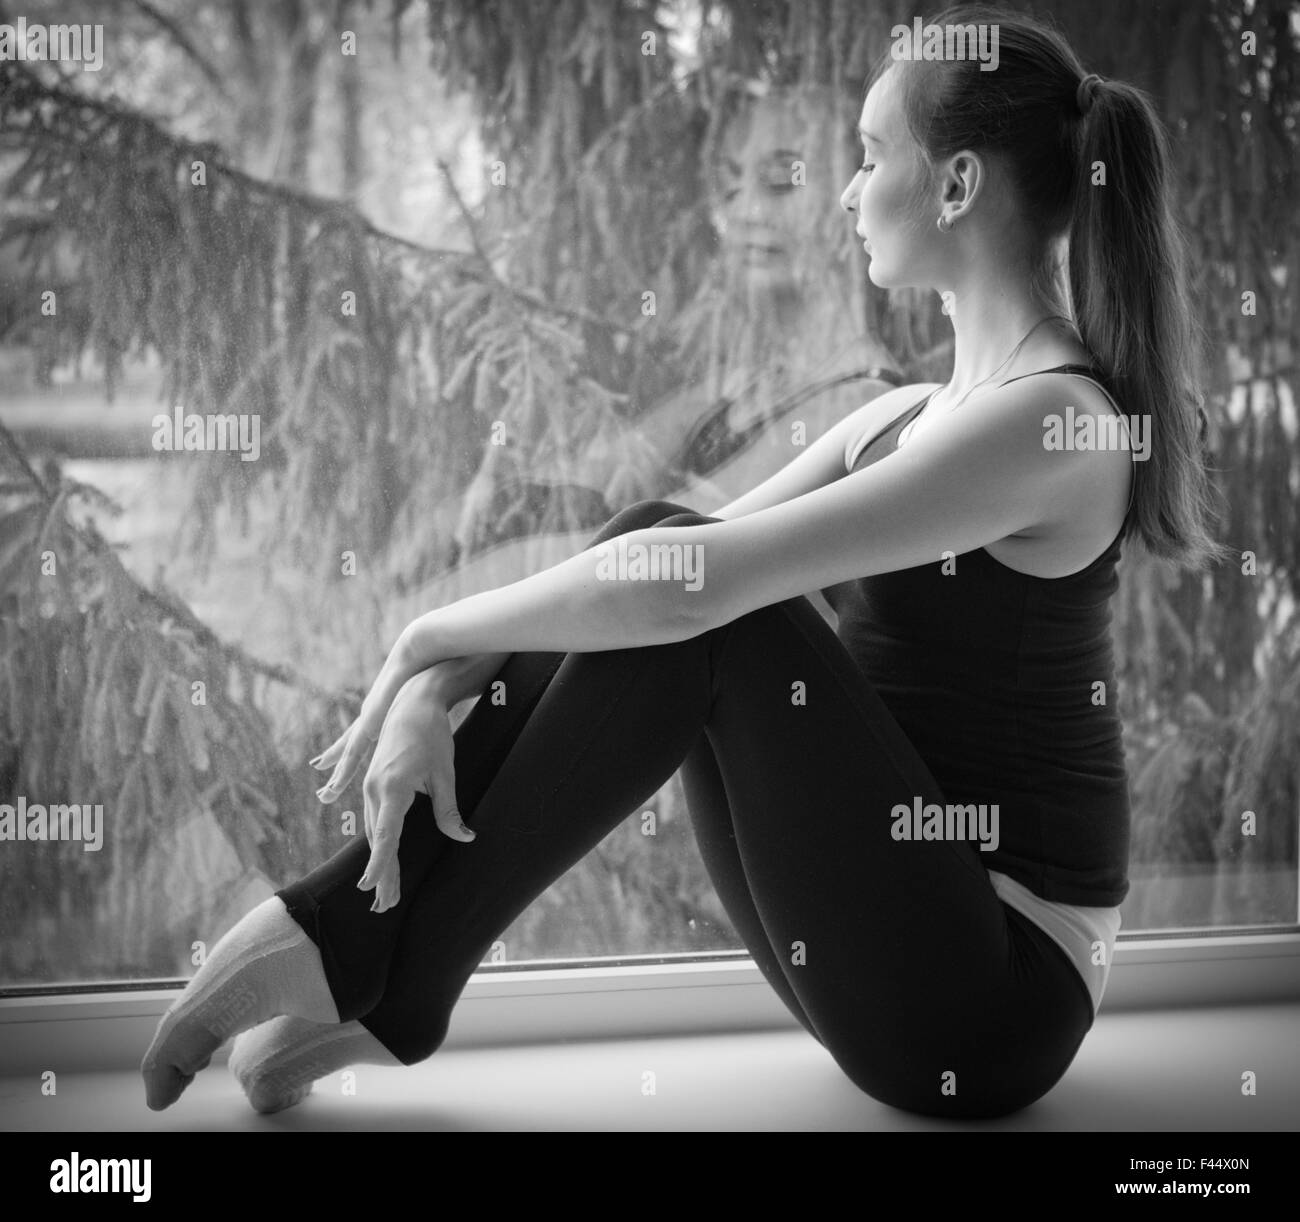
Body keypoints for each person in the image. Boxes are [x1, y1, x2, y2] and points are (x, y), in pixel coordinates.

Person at [141, 4, 1223, 1120]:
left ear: (954, 188)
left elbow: (697, 588)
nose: (846, 193)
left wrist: (428, 633)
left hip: (992, 998)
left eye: (866, 156)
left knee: (715, 606)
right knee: (669, 537)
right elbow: (655, 558)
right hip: (895, 944)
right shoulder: (914, 414)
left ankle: (367, 949)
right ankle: (378, 964)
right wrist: (435, 684)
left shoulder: (1052, 425)